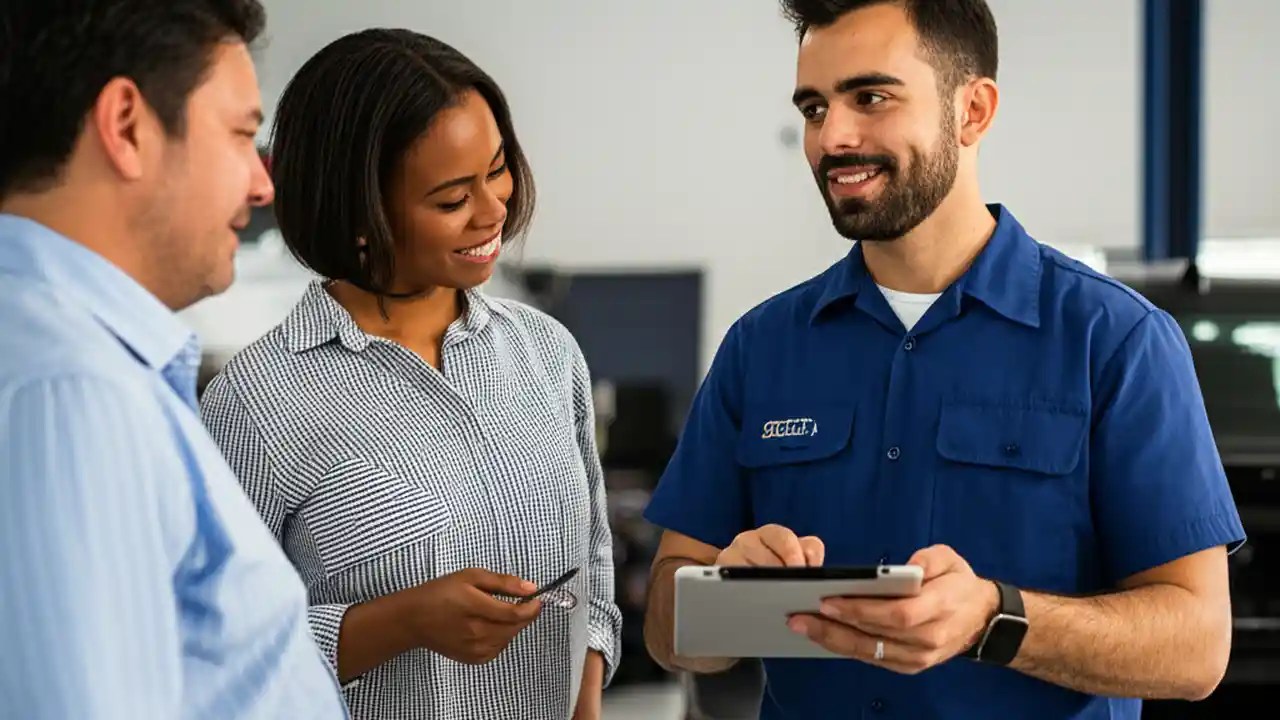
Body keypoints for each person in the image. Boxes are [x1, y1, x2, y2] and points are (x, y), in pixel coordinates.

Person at [641, 1, 1245, 718]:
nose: (832, 137)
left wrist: (996, 617)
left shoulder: (1115, 342)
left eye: (870, 98)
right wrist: (725, 596)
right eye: (813, 107)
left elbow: (1197, 647)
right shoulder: (761, 347)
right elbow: (669, 632)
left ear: (974, 111)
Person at [198, 29, 621, 720]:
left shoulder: (546, 353)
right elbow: (213, 642)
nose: (494, 211)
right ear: (360, 211)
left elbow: (592, 562)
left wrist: (588, 687)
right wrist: (399, 622)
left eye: (498, 168)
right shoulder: (256, 403)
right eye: (452, 198)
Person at [0, 2, 348, 719]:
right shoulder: (71, 389)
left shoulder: (75, 359)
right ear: (127, 126)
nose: (263, 186)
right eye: (242, 135)